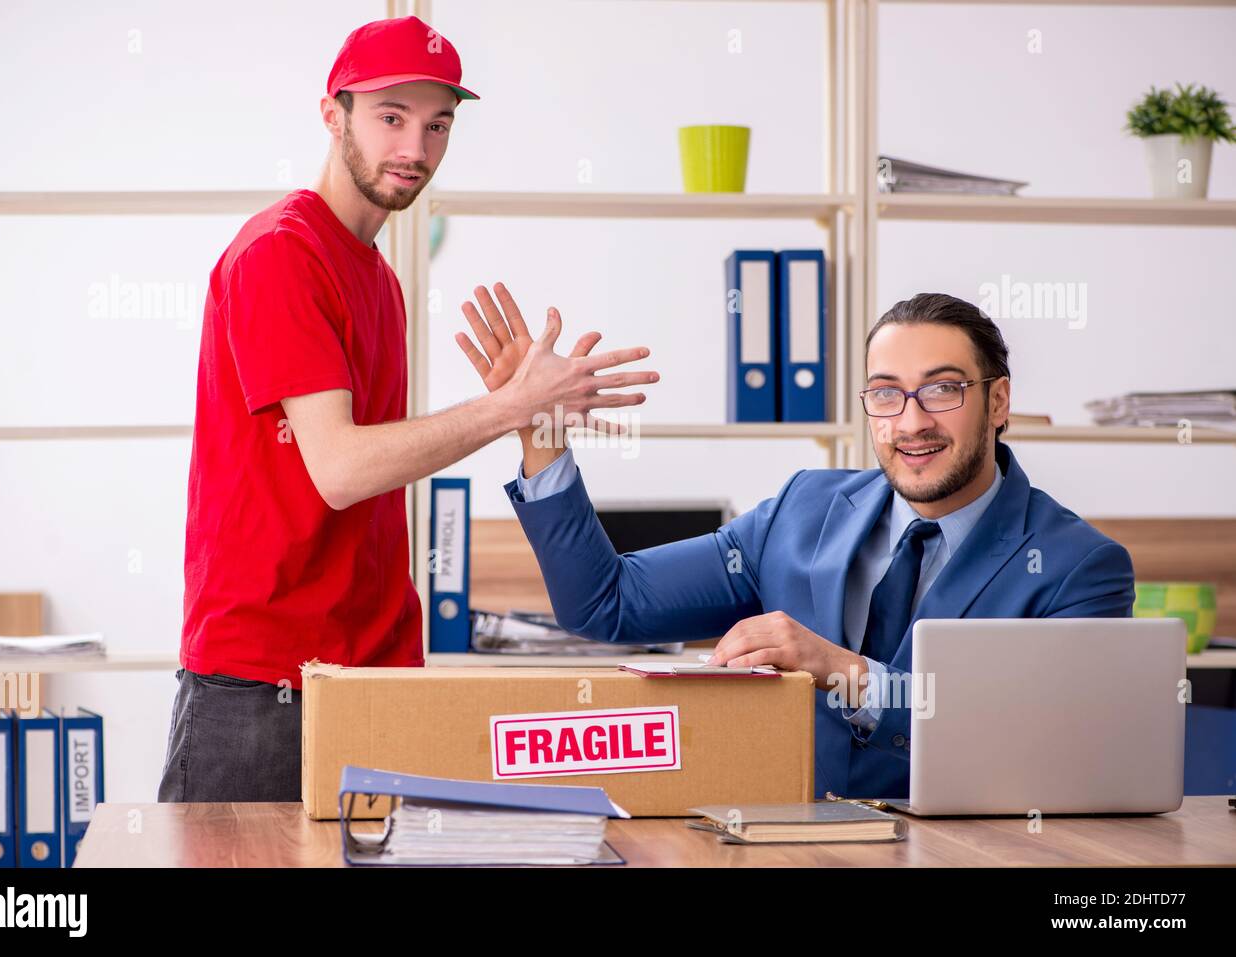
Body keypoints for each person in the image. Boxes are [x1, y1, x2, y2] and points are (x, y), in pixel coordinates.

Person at [158, 16, 656, 803]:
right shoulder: (280, 254)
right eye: (391, 117)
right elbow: (341, 468)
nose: (415, 149)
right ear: (333, 115)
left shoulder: (380, 278)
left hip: (368, 675)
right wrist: (509, 406)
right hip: (262, 685)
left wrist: (527, 415)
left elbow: (380, 465)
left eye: (438, 125)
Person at [461, 290, 1135, 800]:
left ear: (999, 402)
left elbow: (1051, 752)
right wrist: (539, 432)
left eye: (942, 390)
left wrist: (843, 669)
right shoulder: (802, 510)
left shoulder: (1078, 567)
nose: (911, 422)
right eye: (886, 394)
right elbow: (604, 602)